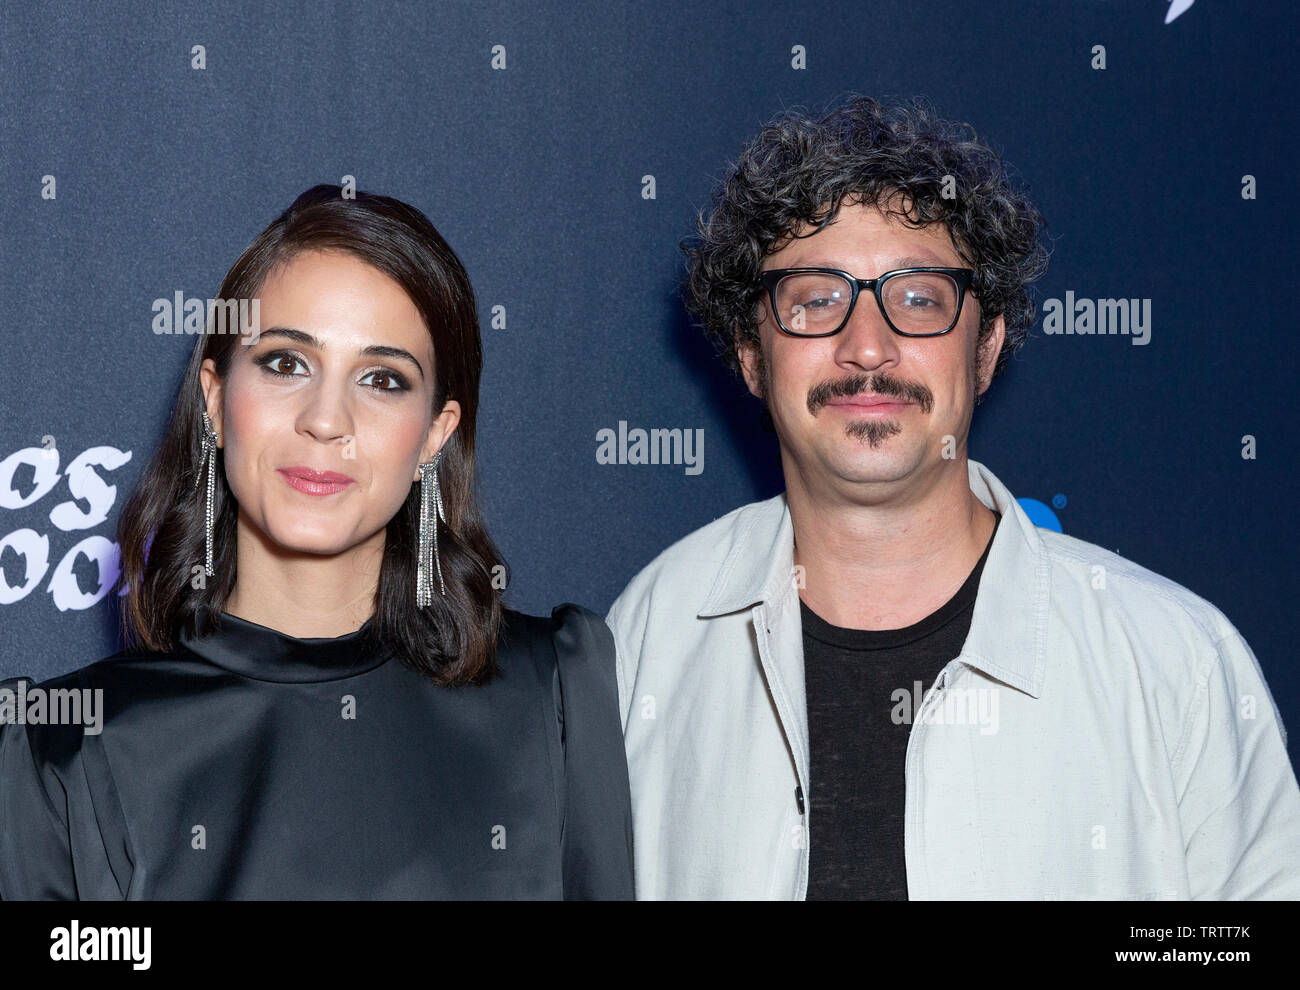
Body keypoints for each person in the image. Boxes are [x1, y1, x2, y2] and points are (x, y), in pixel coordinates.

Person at [606, 95, 1300, 900]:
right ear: (753, 357)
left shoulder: (1176, 663)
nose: (867, 345)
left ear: (988, 346)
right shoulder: (651, 636)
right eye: (815, 298)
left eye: (919, 297)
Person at [0, 185, 633, 900]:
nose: (326, 419)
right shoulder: (60, 752)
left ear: (434, 434)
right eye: (285, 363)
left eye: (382, 379)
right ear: (214, 398)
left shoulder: (552, 694)